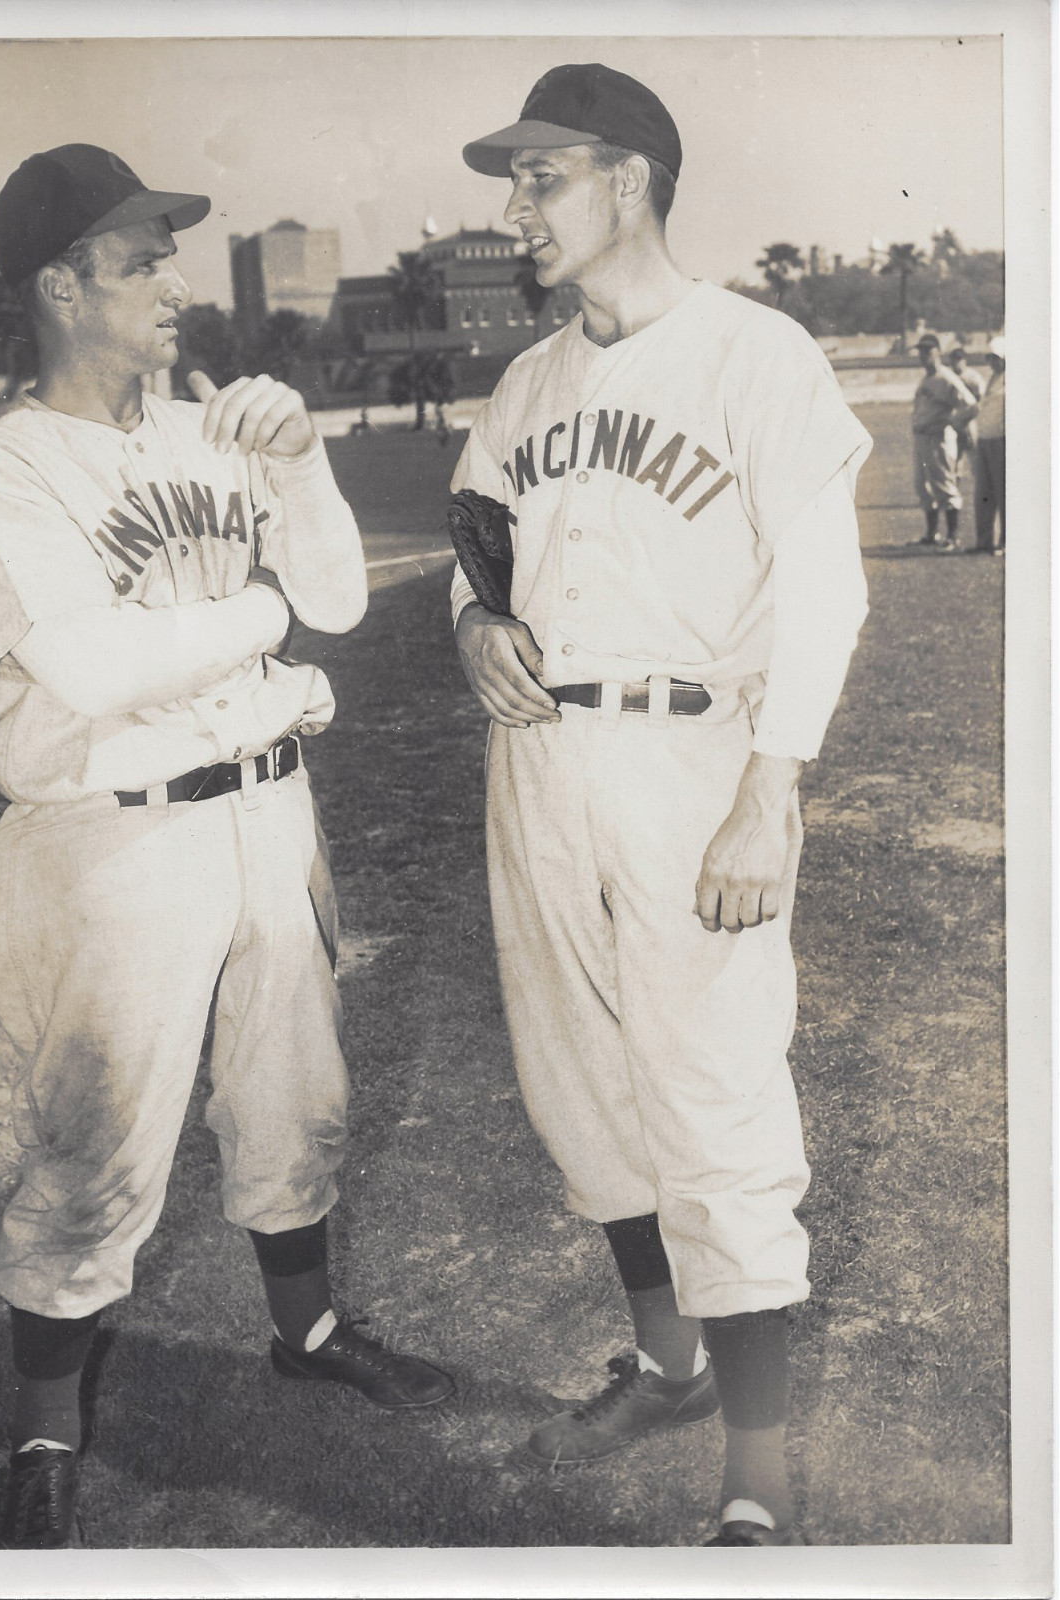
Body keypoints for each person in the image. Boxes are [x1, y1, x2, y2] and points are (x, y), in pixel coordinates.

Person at [0, 143, 453, 1550]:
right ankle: (46, 1431)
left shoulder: (209, 425)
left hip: (269, 808)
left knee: (298, 1100)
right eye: (139, 259)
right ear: (59, 284)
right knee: (96, 1141)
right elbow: (98, 668)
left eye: (170, 254)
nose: (173, 282)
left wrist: (302, 460)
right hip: (110, 840)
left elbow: (333, 593)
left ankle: (311, 1328)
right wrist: (264, 611)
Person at [450, 63, 872, 1547]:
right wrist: (472, 629)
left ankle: (754, 1468)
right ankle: (669, 1358)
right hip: (541, 766)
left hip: (696, 764)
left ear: (625, 182)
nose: (513, 209)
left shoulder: (758, 355)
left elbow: (826, 589)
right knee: (580, 1082)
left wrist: (771, 796)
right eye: (511, 181)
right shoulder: (526, 382)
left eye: (538, 177)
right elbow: (474, 555)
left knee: (715, 1095)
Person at [910, 333, 976, 549]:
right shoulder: (926, 378)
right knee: (922, 486)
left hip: (938, 439)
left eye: (928, 351)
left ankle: (952, 537)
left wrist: (951, 423)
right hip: (922, 439)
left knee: (945, 486)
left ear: (937, 352)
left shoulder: (946, 377)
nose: (923, 355)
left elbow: (971, 405)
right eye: (921, 351)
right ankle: (932, 535)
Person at [972, 336, 1005, 553]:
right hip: (984, 440)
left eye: (996, 358)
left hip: (1001, 441)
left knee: (1003, 493)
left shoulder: (1012, 380)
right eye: (990, 358)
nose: (992, 362)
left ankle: (1005, 543)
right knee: (983, 493)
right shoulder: (993, 378)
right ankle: (984, 542)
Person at [946, 345, 985, 488]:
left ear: (964, 360)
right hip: (953, 422)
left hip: (969, 422)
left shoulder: (973, 377)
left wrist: (968, 418)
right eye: (953, 360)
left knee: (974, 457)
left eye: (958, 360)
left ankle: (982, 487)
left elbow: (980, 401)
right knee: (954, 458)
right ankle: (953, 487)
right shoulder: (949, 377)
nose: (956, 363)